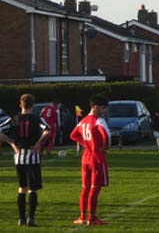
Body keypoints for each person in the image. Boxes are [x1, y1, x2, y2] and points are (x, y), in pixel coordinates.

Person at [0, 94, 52, 227]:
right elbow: (47, 130)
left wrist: (12, 143)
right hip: (33, 155)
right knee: (33, 189)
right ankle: (31, 218)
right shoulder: (37, 119)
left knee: (22, 188)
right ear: (33, 105)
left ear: (20, 104)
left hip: (19, 157)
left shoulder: (14, 119)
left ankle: (21, 219)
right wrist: (38, 144)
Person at [69, 94, 111, 226]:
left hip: (85, 157)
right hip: (96, 156)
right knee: (95, 188)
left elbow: (73, 135)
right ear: (96, 107)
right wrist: (104, 146)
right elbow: (106, 136)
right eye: (103, 108)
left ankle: (82, 217)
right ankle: (92, 218)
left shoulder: (83, 120)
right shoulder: (98, 120)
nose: (104, 111)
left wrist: (85, 143)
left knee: (85, 187)